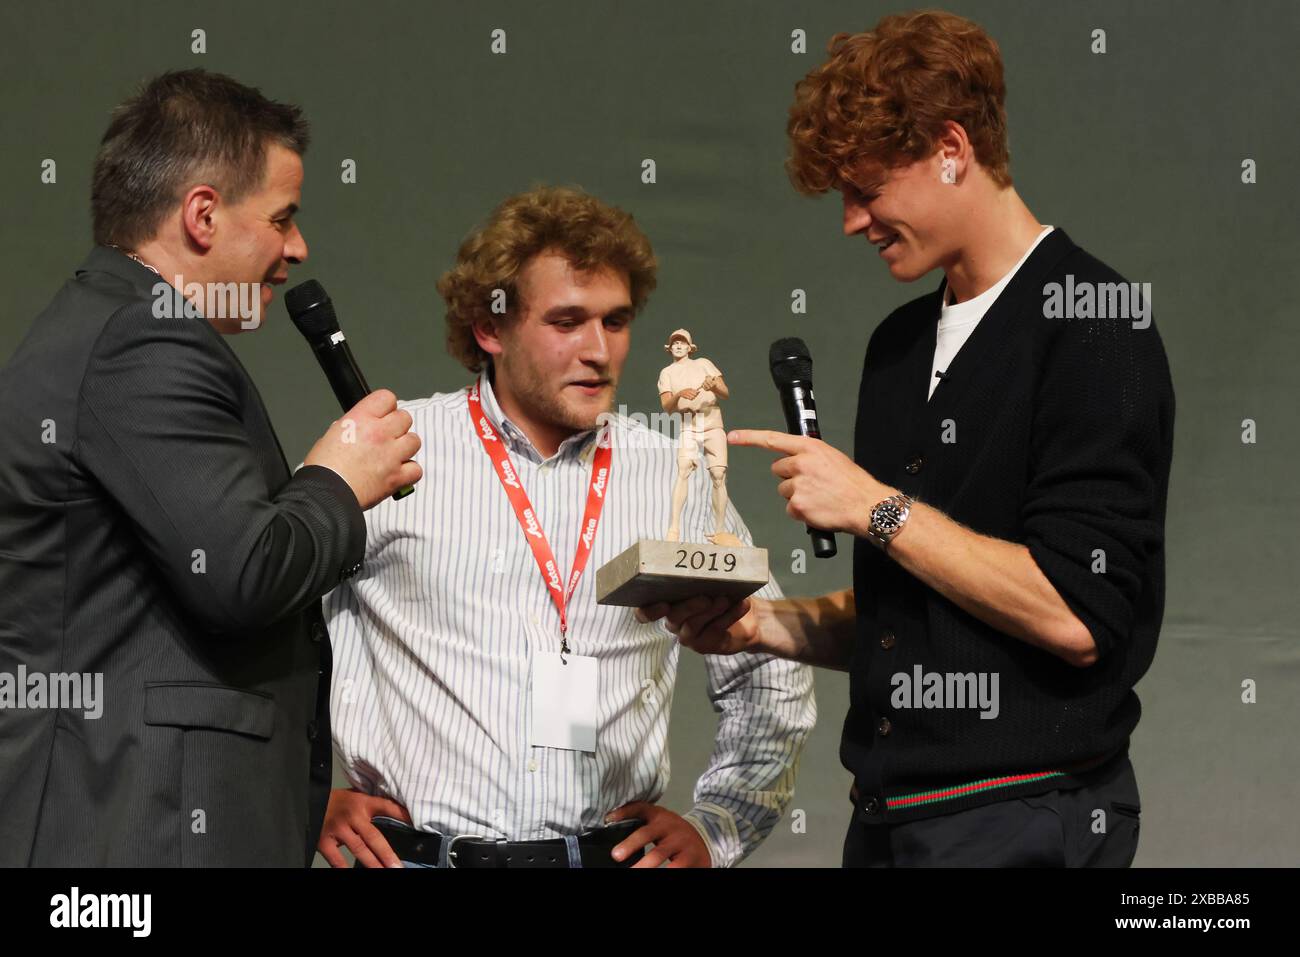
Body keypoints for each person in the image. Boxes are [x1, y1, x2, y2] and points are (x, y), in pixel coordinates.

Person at [640, 10, 1174, 867]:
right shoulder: (897, 350)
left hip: (1022, 817)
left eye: (867, 189)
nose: (853, 221)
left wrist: (873, 504)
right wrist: (762, 628)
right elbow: (917, 619)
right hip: (891, 819)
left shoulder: (1094, 325)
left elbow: (1077, 613)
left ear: (952, 147)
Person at [317, 186, 815, 868]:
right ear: (490, 329)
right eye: (567, 321)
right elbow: (256, 633)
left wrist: (716, 825)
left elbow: (771, 669)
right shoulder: (390, 449)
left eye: (615, 321)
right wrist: (304, 791)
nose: (599, 351)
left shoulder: (675, 470)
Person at [0, 69, 421, 866]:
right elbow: (240, 572)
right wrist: (338, 479)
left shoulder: (116, 325)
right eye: (283, 219)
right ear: (202, 214)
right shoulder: (142, 340)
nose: (298, 248)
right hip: (135, 832)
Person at [658, 329, 742, 547]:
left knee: (718, 474)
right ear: (670, 348)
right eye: (674, 343)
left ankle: (719, 531)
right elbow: (667, 406)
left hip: (712, 422)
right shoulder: (667, 373)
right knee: (684, 469)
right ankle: (674, 529)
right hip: (689, 423)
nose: (678, 346)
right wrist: (680, 394)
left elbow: (725, 392)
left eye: (682, 343)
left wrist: (712, 384)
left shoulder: (704, 363)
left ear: (689, 347)